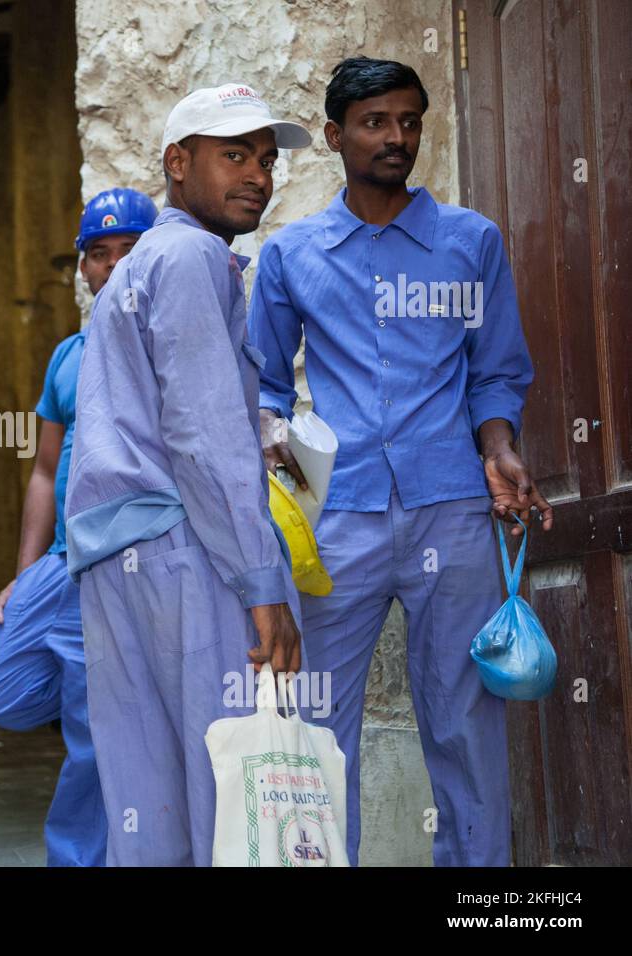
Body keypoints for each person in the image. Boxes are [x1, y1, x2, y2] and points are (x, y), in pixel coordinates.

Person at [247, 57, 550, 867]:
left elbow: (497, 370)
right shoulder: (292, 256)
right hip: (338, 519)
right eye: (376, 122)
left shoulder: (470, 243)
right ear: (337, 134)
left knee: (464, 723)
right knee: (316, 726)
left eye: (410, 121)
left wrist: (499, 444)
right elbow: (267, 383)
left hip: (451, 509)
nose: (396, 138)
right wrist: (276, 445)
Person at [65, 84, 312, 866]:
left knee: (147, 796)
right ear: (178, 163)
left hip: (115, 557)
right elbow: (204, 439)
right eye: (234, 155)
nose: (258, 176)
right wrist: (261, 583)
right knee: (232, 788)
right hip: (183, 551)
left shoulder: (143, 267)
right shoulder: (194, 256)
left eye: (267, 160)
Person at [0, 188, 158, 867]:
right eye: (98, 256)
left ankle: (86, 856)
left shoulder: (167, 342)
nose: (111, 268)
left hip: (127, 562)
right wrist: (25, 575)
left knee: (95, 728)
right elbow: (40, 470)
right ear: (82, 270)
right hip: (63, 561)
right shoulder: (67, 356)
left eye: (128, 253)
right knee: (5, 690)